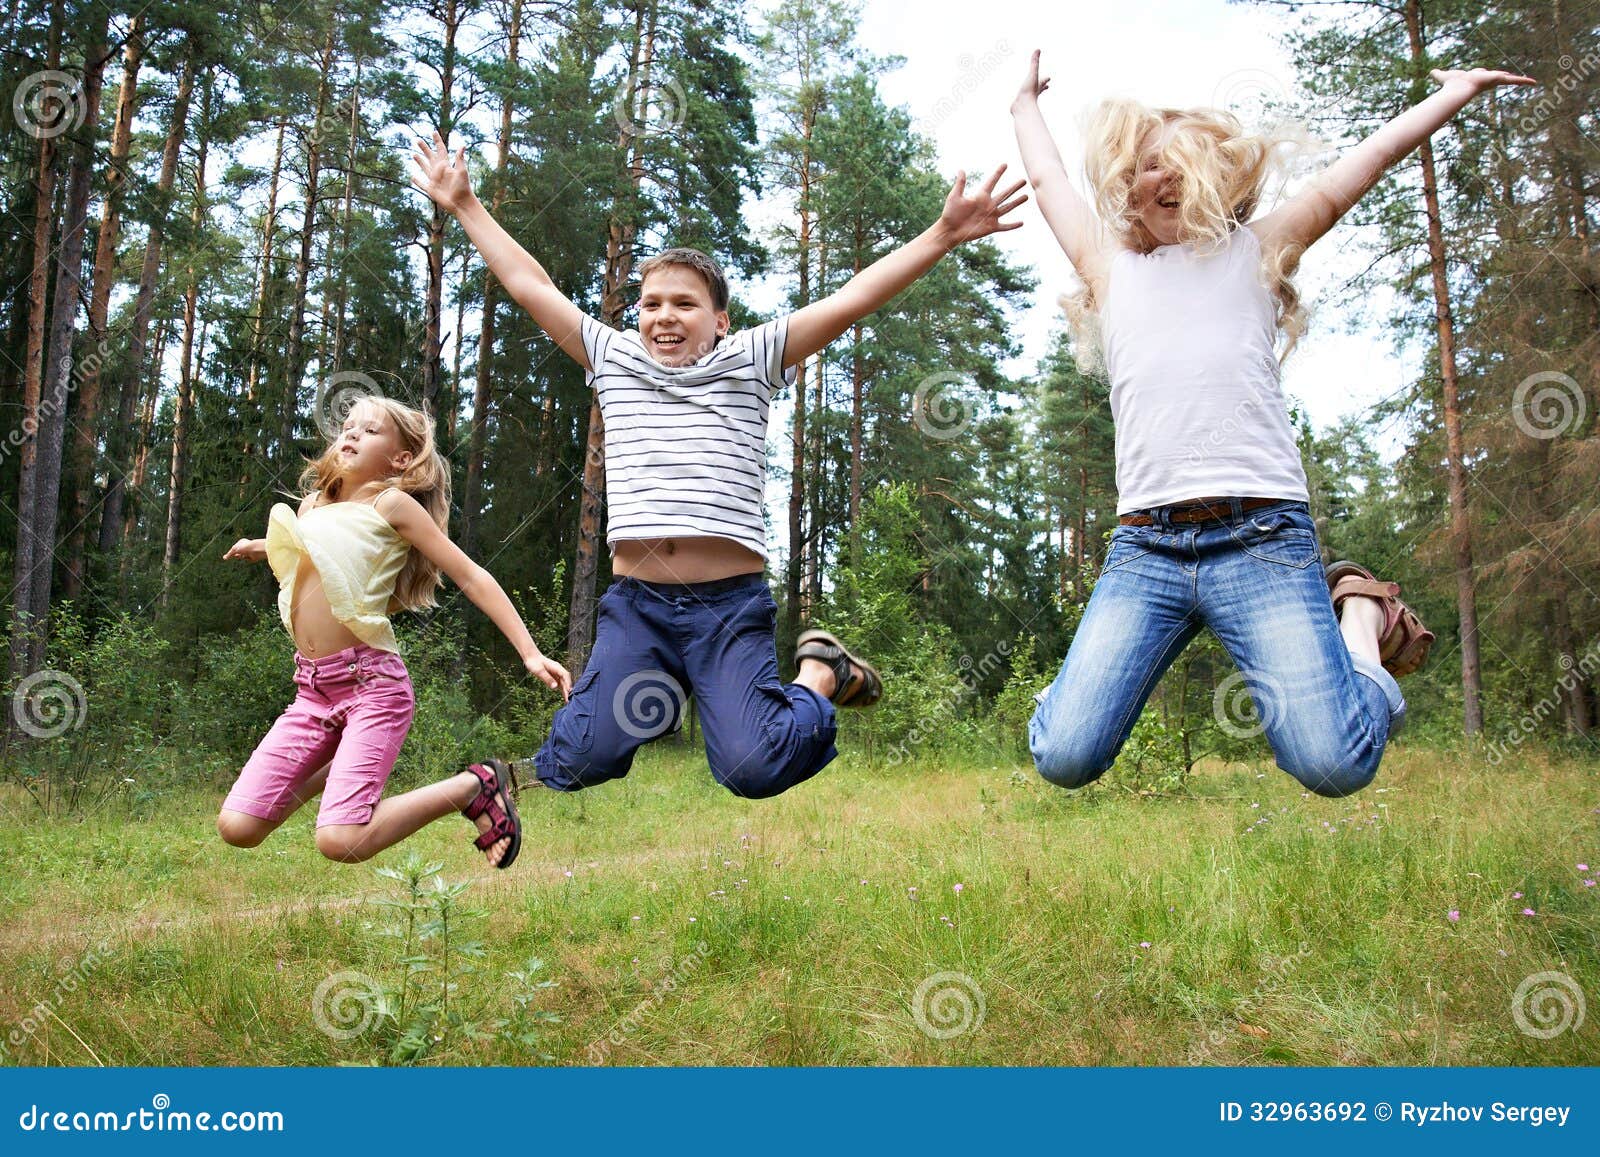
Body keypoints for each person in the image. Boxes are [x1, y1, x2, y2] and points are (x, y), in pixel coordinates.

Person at [409, 131, 1025, 798]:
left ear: (722, 319)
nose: (664, 317)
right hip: (638, 607)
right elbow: (531, 284)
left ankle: (821, 674)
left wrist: (940, 234)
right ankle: (514, 786)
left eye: (684, 303)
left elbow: (851, 299)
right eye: (650, 304)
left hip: (726, 607)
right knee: (579, 754)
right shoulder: (612, 358)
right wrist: (466, 203)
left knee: (750, 768)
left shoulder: (752, 358)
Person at [1011, 51, 1533, 796]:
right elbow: (1050, 182)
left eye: (1185, 168)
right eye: (1149, 167)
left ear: (1218, 182)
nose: (1166, 180)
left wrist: (1453, 94)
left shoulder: (1256, 252)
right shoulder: (1110, 269)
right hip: (1148, 549)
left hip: (1261, 537)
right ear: (1128, 185)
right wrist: (1023, 105)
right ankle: (1074, 704)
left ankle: (1360, 619)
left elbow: (1360, 168)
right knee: (1062, 755)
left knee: (1333, 762)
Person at [217, 396, 571, 868]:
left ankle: (475, 786)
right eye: (348, 427)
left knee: (340, 841)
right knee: (238, 827)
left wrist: (530, 653)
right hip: (312, 690)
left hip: (372, 686)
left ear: (401, 459)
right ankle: (339, 765)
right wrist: (262, 546)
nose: (351, 434)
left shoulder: (392, 504)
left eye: (369, 431)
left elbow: (470, 575)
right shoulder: (312, 505)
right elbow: (323, 546)